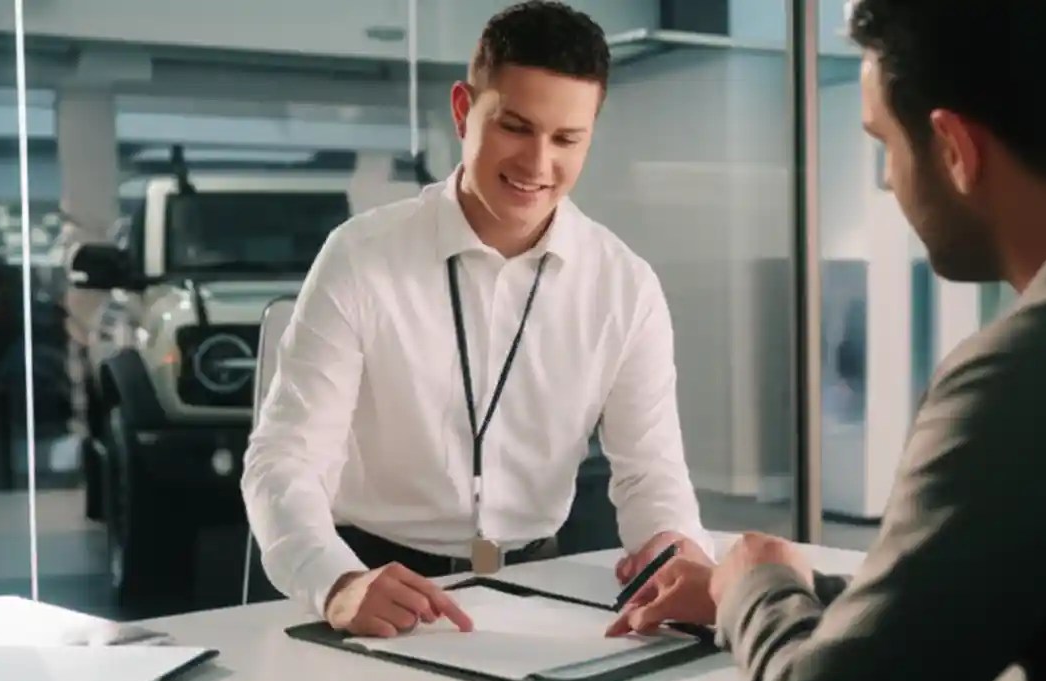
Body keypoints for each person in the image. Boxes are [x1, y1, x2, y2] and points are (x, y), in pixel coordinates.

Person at [606, 1, 1046, 681]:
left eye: (884, 142)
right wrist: (777, 589)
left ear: (954, 148)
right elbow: (1023, 575)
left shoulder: (1040, 371)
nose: (886, 180)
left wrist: (756, 589)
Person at [242, 0, 713, 639]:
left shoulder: (625, 285)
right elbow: (286, 459)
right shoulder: (361, 256)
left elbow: (651, 470)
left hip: (542, 589)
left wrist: (673, 547)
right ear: (464, 110)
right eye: (516, 127)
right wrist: (335, 581)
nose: (538, 165)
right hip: (376, 579)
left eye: (567, 139)